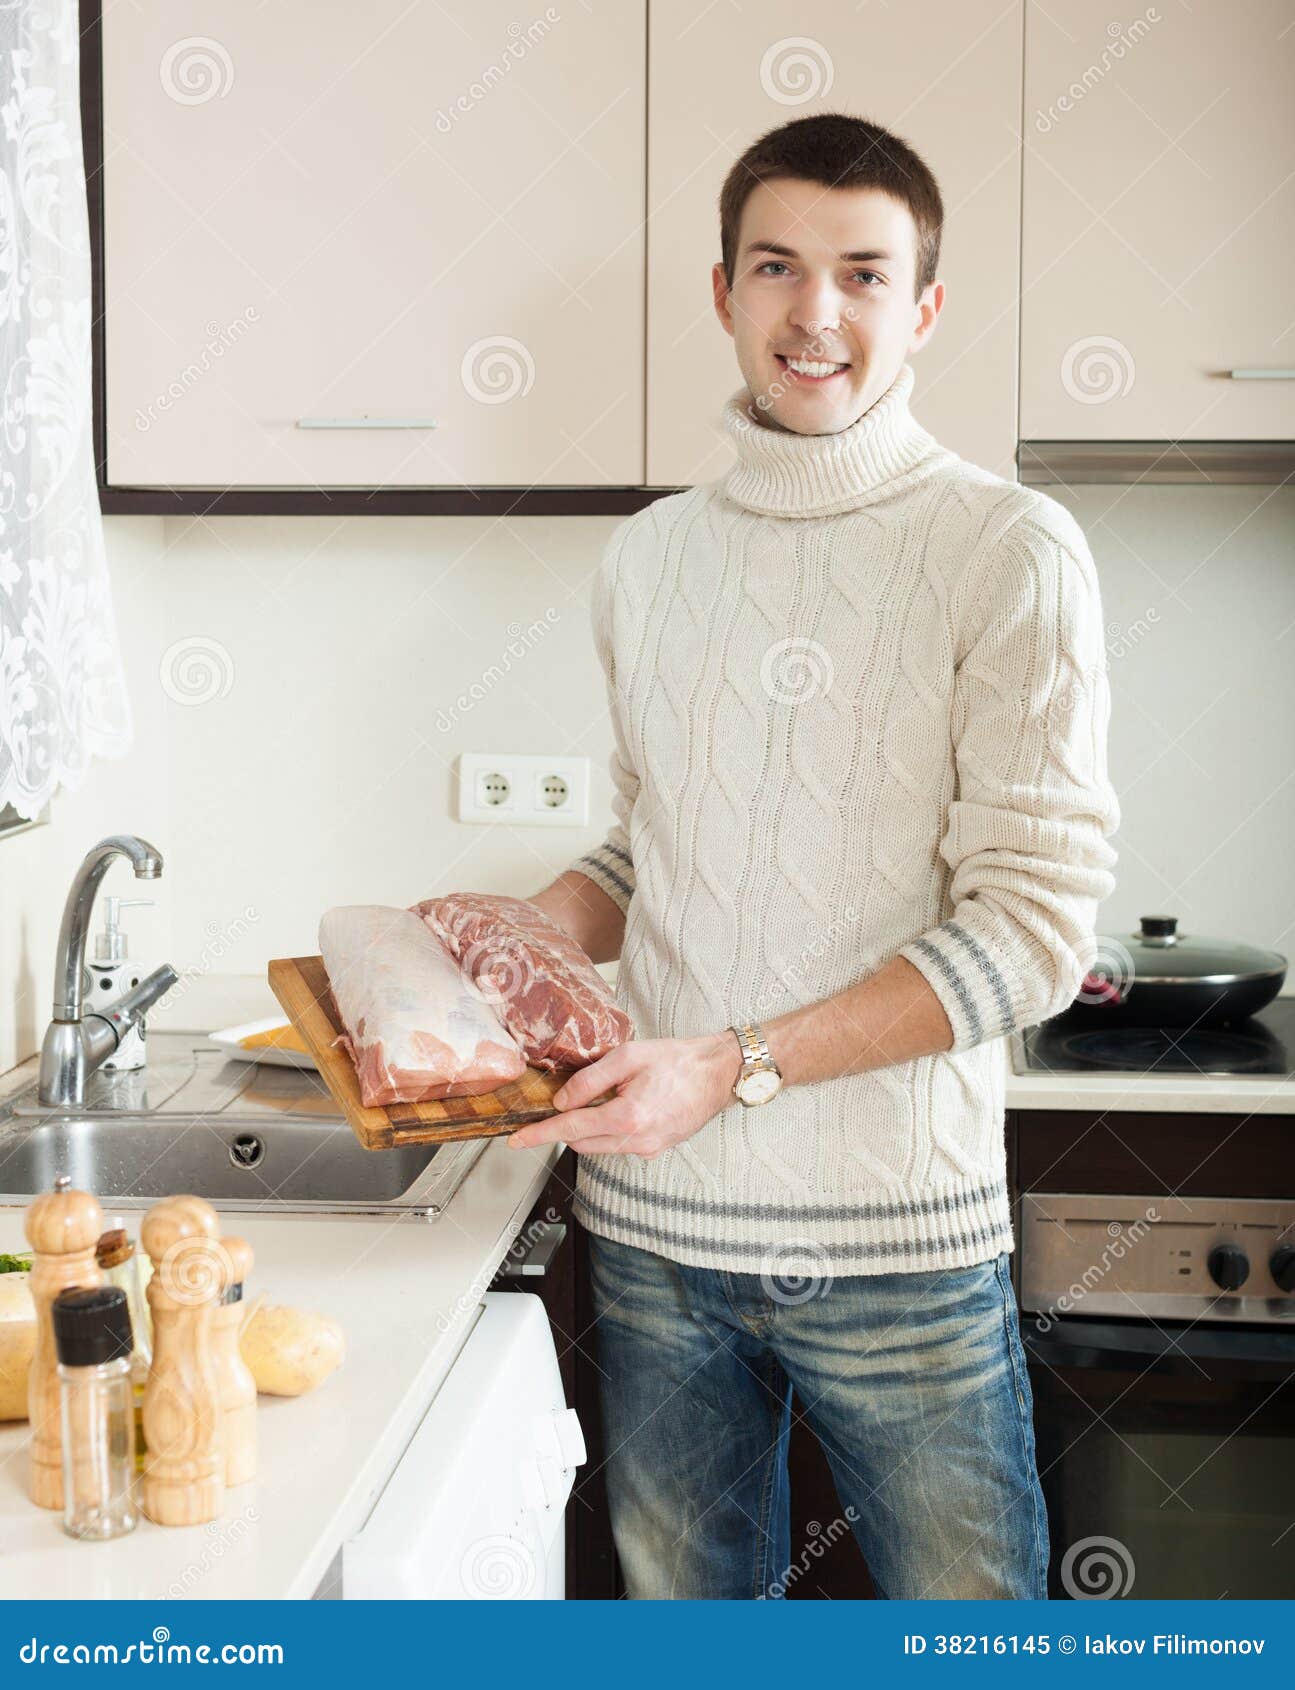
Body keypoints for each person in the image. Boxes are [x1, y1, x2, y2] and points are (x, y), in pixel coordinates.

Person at [513, 111, 1120, 1600]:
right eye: (777, 266)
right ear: (723, 292)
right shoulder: (648, 557)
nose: (816, 311)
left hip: (900, 1247)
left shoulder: (1009, 549)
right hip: (652, 1232)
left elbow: (1034, 930)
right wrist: (527, 923)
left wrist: (732, 1063)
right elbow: (654, 839)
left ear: (921, 308)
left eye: (862, 272)